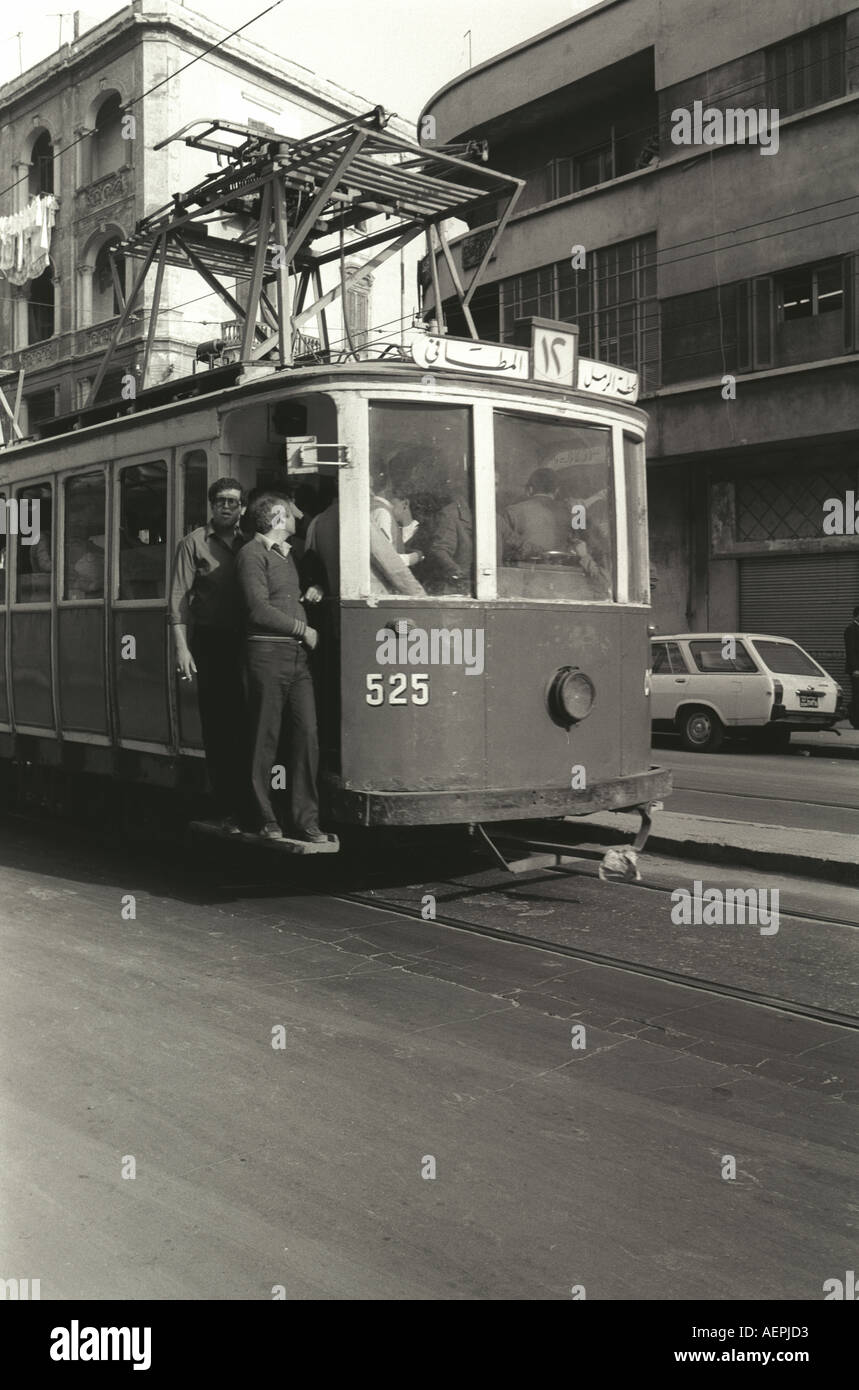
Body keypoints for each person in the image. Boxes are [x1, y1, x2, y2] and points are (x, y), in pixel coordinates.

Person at [236, 492, 327, 843]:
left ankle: (306, 820)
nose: (296, 518)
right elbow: (257, 610)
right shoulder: (251, 554)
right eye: (290, 514)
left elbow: (313, 570)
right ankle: (265, 817)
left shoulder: (290, 555)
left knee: (307, 735)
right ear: (276, 517)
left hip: (296, 658)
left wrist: (316, 586)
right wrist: (303, 629)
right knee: (265, 737)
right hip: (266, 656)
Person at [169, 477, 250, 832]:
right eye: (220, 501)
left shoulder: (252, 544)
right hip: (212, 643)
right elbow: (177, 599)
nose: (226, 506)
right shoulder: (193, 544)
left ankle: (252, 806)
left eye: (233, 501)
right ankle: (227, 807)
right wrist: (182, 648)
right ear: (211, 506)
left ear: (243, 507)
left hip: (249, 644)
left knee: (247, 725)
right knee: (219, 729)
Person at [504, 467, 570, 557]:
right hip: (564, 569)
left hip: (524, 569)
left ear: (530, 489)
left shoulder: (513, 511)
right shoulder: (569, 512)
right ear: (556, 491)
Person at [844, 604, 859, 729]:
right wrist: (855, 668)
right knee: (857, 695)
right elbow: (851, 650)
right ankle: (856, 721)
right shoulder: (851, 629)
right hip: (856, 670)